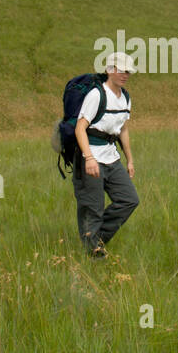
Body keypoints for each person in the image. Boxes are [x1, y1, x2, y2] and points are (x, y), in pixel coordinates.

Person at [73, 52, 139, 258]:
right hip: (91, 157)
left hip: (112, 157)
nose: (125, 74)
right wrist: (89, 158)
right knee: (93, 207)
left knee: (129, 199)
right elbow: (80, 128)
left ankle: (96, 239)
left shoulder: (125, 97)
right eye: (120, 70)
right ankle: (94, 253)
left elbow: (123, 130)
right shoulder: (96, 95)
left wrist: (129, 160)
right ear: (109, 70)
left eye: (127, 71)